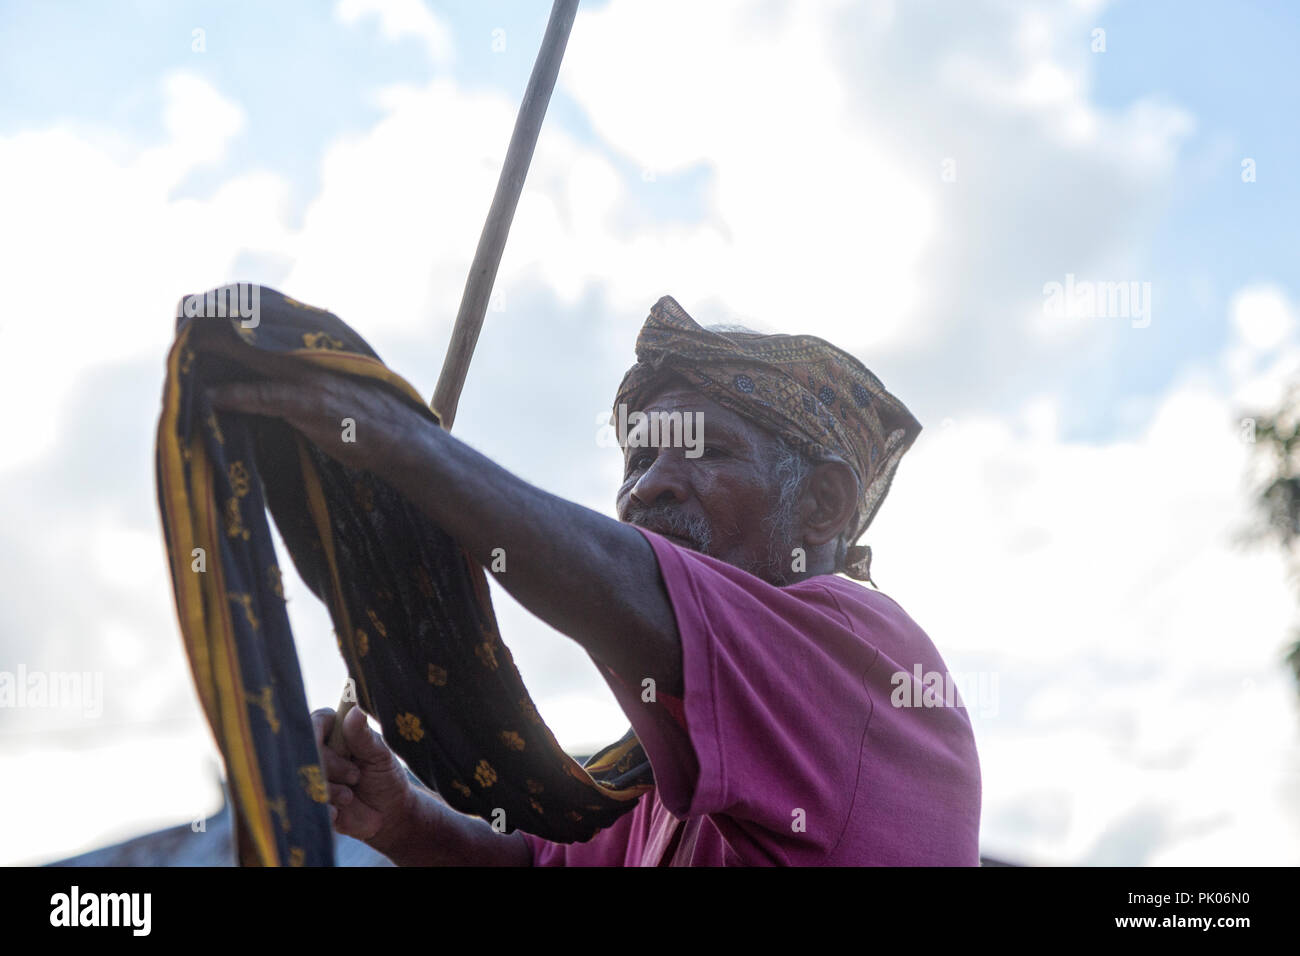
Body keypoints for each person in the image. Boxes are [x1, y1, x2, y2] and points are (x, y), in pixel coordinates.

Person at [209, 294, 982, 865]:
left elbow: (626, 582)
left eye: (705, 451)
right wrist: (402, 818)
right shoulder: (660, 760)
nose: (648, 488)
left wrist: (397, 444)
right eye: (638, 460)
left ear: (821, 505)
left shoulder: (861, 657)